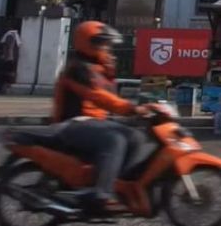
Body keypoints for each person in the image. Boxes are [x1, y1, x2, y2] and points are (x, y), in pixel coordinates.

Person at [51, 21, 150, 215]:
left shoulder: (97, 68)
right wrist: (131, 108)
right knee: (115, 140)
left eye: (107, 44)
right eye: (102, 43)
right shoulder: (77, 68)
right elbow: (99, 97)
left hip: (93, 123)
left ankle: (117, 184)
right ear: (87, 43)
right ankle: (101, 194)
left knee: (136, 137)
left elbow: (109, 96)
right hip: (73, 124)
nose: (106, 48)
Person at [0, 21, 21, 94]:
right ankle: (4, 89)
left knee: (4, 74)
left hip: (8, 58)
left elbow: (8, 47)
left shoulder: (9, 35)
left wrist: (5, 55)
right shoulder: (13, 35)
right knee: (7, 74)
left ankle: (0, 89)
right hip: (10, 58)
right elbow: (11, 47)